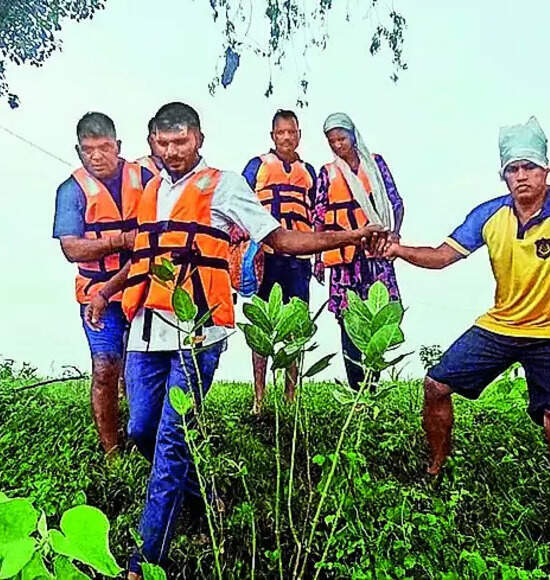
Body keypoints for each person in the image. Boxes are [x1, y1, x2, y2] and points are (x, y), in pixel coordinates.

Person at [84, 102, 386, 579]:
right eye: (163, 143)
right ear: (151, 142)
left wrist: (349, 235)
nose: (172, 152)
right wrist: (106, 289)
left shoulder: (225, 186)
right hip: (146, 330)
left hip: (197, 330)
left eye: (181, 142)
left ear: (199, 139)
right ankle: (206, 500)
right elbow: (146, 256)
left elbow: (281, 239)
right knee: (142, 430)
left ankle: (145, 563)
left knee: (169, 438)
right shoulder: (151, 190)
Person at [374, 116, 550, 546]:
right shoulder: (490, 215)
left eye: (529, 166)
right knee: (435, 384)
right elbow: (441, 255)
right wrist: (398, 249)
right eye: (513, 169)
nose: (521, 175)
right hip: (503, 322)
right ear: (504, 175)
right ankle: (435, 470)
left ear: (545, 170)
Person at [52, 112, 154, 456]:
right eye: (88, 150)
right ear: (79, 151)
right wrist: (120, 241)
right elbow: (71, 248)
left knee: (144, 370)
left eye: (104, 148)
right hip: (96, 294)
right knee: (105, 366)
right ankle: (111, 453)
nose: (97, 156)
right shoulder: (71, 190)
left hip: (145, 287)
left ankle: (148, 442)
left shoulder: (147, 177)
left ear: (119, 146)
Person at [313, 112, 405, 390]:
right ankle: (356, 387)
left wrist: (394, 236)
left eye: (342, 138)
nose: (338, 145)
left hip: (376, 254)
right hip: (343, 260)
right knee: (348, 321)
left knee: (378, 317)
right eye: (332, 141)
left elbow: (395, 202)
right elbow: (318, 215)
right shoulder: (327, 173)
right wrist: (318, 258)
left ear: (353, 137)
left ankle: (373, 384)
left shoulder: (375, 165)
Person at [240, 109, 318, 413]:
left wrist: (321, 256)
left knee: (297, 325)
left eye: (292, 132)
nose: (286, 137)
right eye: (281, 132)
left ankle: (290, 396)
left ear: (299, 135)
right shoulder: (257, 166)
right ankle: (259, 398)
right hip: (266, 255)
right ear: (272, 135)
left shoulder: (309, 171)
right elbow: (240, 204)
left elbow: (319, 215)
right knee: (261, 324)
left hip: (299, 258)